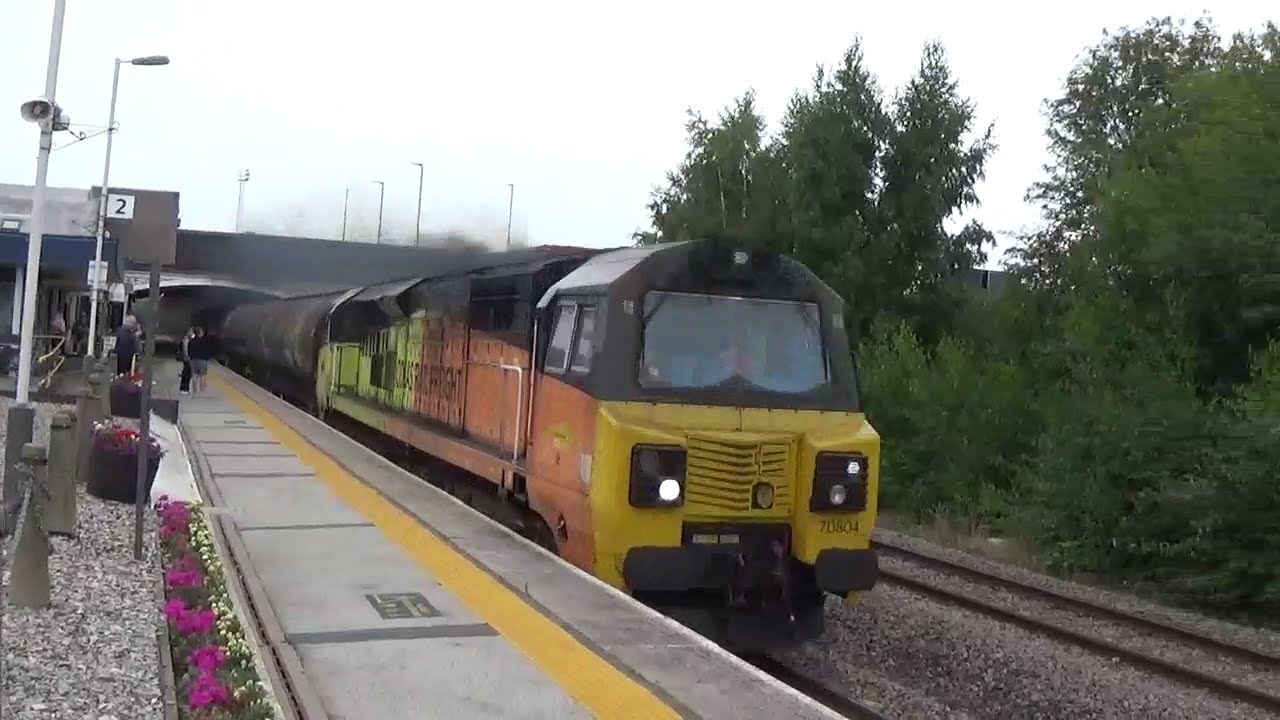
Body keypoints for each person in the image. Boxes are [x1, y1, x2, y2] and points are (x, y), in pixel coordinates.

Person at [188, 326, 213, 395]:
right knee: (202, 375)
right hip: (203, 360)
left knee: (194, 375)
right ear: (202, 333)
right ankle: (202, 389)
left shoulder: (191, 341)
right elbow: (209, 351)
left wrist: (191, 358)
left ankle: (194, 391)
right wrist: (208, 358)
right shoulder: (205, 341)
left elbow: (189, 351)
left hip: (193, 360)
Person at [178, 327, 194, 395]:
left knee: (185, 373)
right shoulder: (186, 340)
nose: (192, 333)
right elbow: (186, 350)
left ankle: (183, 388)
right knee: (187, 374)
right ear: (188, 332)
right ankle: (185, 389)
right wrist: (188, 357)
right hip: (187, 359)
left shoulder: (185, 339)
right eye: (191, 332)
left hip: (186, 359)